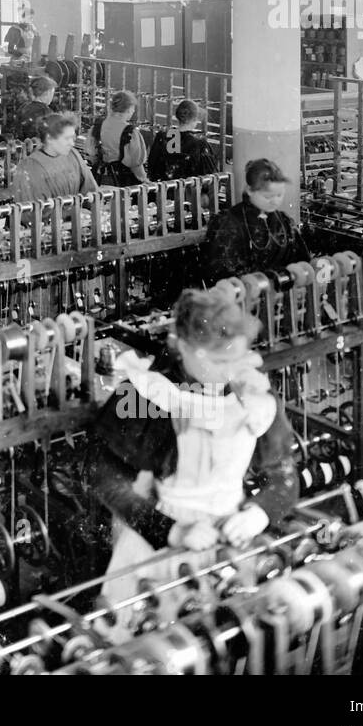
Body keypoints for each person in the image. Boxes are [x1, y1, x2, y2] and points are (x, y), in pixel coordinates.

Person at [80, 289, 298, 607]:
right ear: (183, 346)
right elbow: (101, 474)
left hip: (231, 534)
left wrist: (260, 512)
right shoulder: (146, 396)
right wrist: (171, 531)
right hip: (157, 541)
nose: (229, 371)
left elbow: (283, 474)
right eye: (218, 360)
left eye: (236, 358)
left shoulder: (252, 393)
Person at [203, 158, 311, 281]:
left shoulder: (284, 221)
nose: (275, 201)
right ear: (249, 190)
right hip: (244, 295)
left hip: (282, 291)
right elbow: (220, 272)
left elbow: (302, 260)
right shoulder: (228, 223)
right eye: (268, 196)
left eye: (279, 195)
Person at [13, 113, 98, 202]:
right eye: (66, 138)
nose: (72, 143)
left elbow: (90, 189)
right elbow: (34, 210)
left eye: (72, 138)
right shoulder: (31, 166)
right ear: (49, 138)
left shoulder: (73, 154)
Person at [146, 98, 218, 181]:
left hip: (164, 190)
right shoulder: (199, 144)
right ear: (195, 119)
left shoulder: (162, 138)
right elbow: (210, 178)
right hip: (188, 191)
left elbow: (152, 167)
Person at [91, 90, 149, 186]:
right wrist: (144, 180)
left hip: (99, 179)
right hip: (122, 182)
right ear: (129, 109)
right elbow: (135, 164)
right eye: (133, 108)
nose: (133, 111)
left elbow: (91, 153)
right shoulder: (130, 132)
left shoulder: (98, 126)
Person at [16, 75, 57, 140]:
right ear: (47, 92)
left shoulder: (23, 107)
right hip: (38, 147)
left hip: (22, 146)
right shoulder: (46, 112)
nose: (52, 97)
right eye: (52, 93)